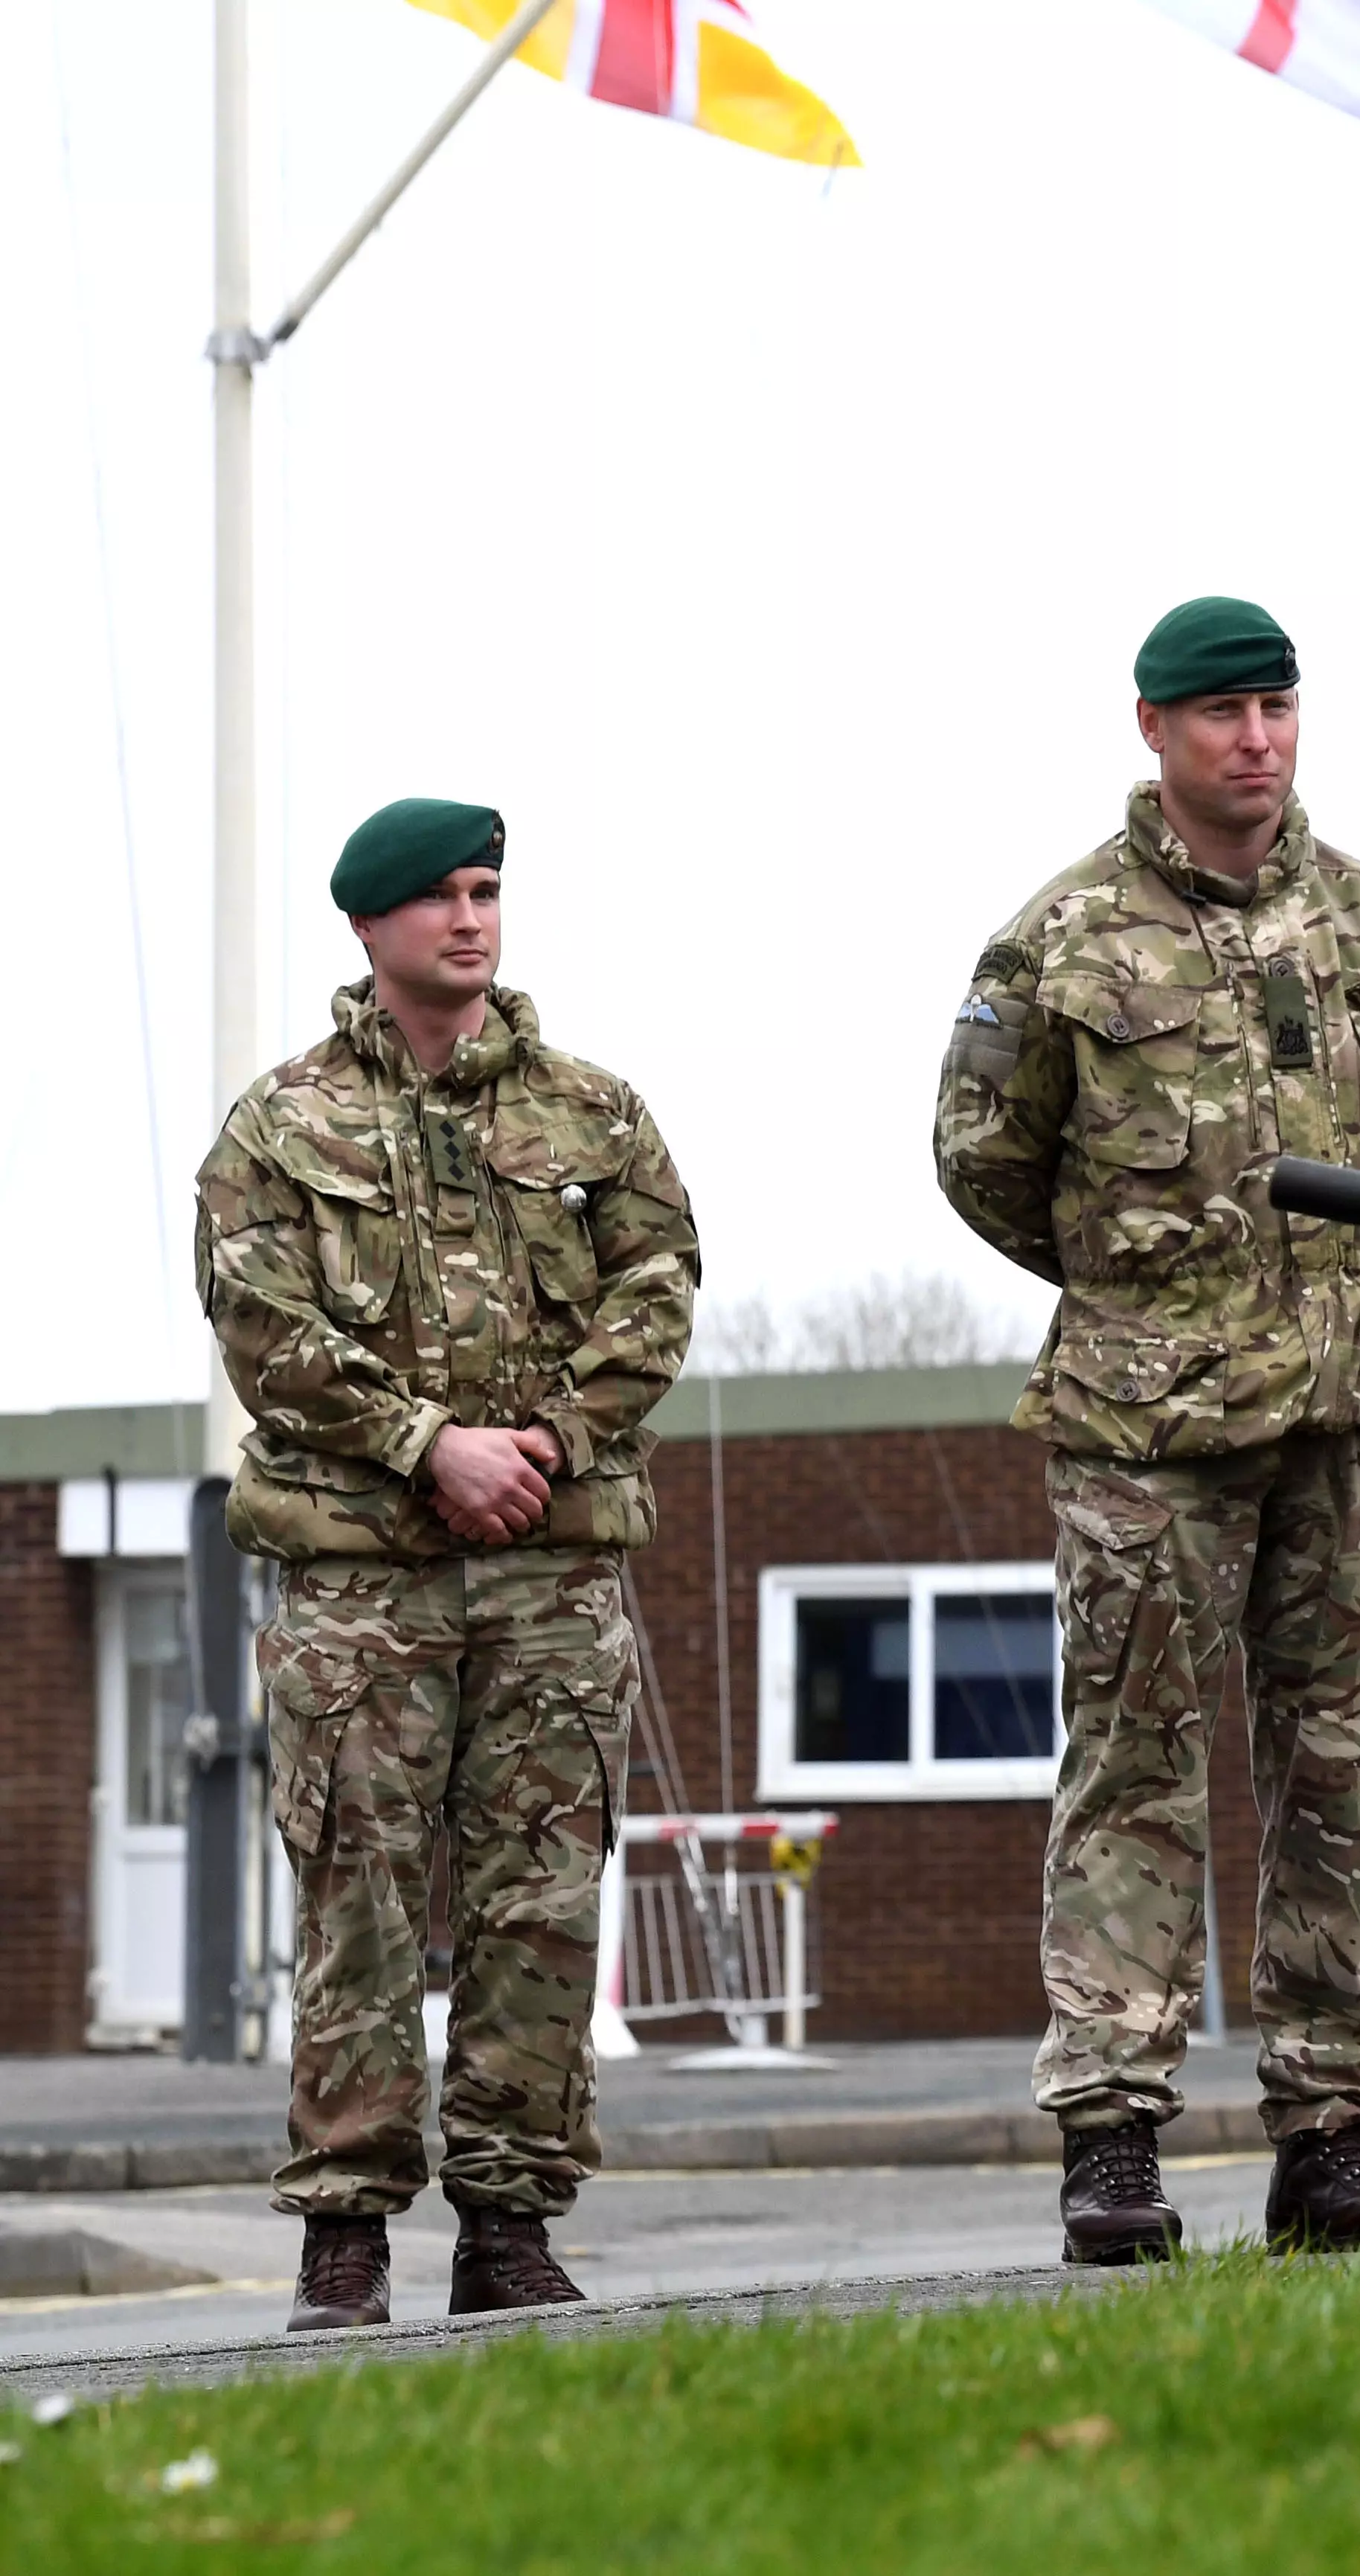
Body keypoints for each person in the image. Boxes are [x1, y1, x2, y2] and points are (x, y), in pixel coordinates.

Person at [936, 597, 1360, 2263]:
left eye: (1277, 708)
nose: (1255, 739)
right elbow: (984, 1157)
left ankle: (1330, 2133)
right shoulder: (1062, 944)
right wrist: (1145, 1285)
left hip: (1348, 1410)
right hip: (1148, 1428)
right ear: (1154, 731)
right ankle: (1113, 2134)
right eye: (1222, 714)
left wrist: (1316, 1289)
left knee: (1340, 1773)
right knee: (1134, 1766)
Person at [198, 795, 700, 2331]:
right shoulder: (283, 1129)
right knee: (357, 1895)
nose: (470, 919)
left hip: (551, 1577)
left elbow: (659, 1286)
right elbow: (264, 1329)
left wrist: (538, 1440)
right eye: (438, 898)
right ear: (369, 926)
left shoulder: (594, 1115)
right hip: (364, 1584)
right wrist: (431, 1447)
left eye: (486, 891)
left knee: (538, 1902)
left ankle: (511, 2218)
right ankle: (345, 2233)